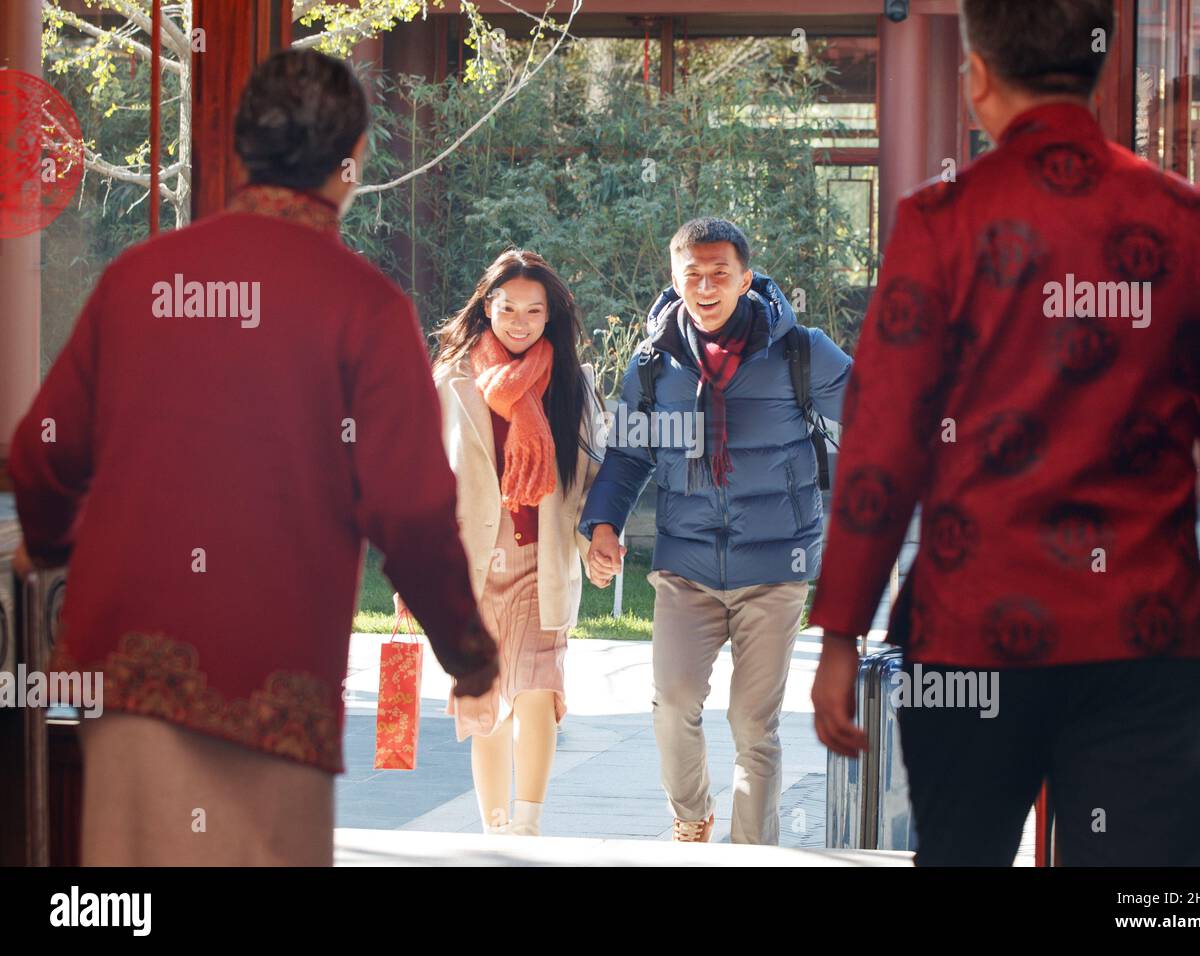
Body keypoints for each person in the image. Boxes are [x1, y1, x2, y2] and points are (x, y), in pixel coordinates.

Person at [809, 0, 1200, 866]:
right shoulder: (1191, 221)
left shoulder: (938, 223)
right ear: (1100, 69)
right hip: (1143, 633)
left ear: (980, 77)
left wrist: (842, 631)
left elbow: (882, 445)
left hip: (968, 633)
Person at [7, 49, 497, 866]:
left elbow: (42, 450)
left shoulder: (140, 280)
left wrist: (54, 543)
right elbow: (409, 509)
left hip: (122, 664)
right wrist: (468, 654)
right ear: (354, 159)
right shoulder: (366, 309)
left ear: (239, 151)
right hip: (272, 677)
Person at [581, 217, 852, 844]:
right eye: (691, 276)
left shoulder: (798, 351)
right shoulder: (655, 366)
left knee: (753, 725)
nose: (705, 287)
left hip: (775, 567)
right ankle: (692, 817)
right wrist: (602, 524)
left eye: (718, 274)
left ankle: (752, 855)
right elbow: (627, 455)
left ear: (745, 278)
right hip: (687, 565)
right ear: (675, 282)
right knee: (673, 704)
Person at [395, 250, 603, 837]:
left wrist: (596, 546)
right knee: (485, 701)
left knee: (538, 691)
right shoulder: (450, 382)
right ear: (487, 307)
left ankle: (528, 826)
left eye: (534, 311)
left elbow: (587, 480)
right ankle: (494, 828)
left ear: (549, 316)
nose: (520, 321)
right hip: (474, 567)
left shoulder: (570, 383)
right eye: (508, 308)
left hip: (544, 561)